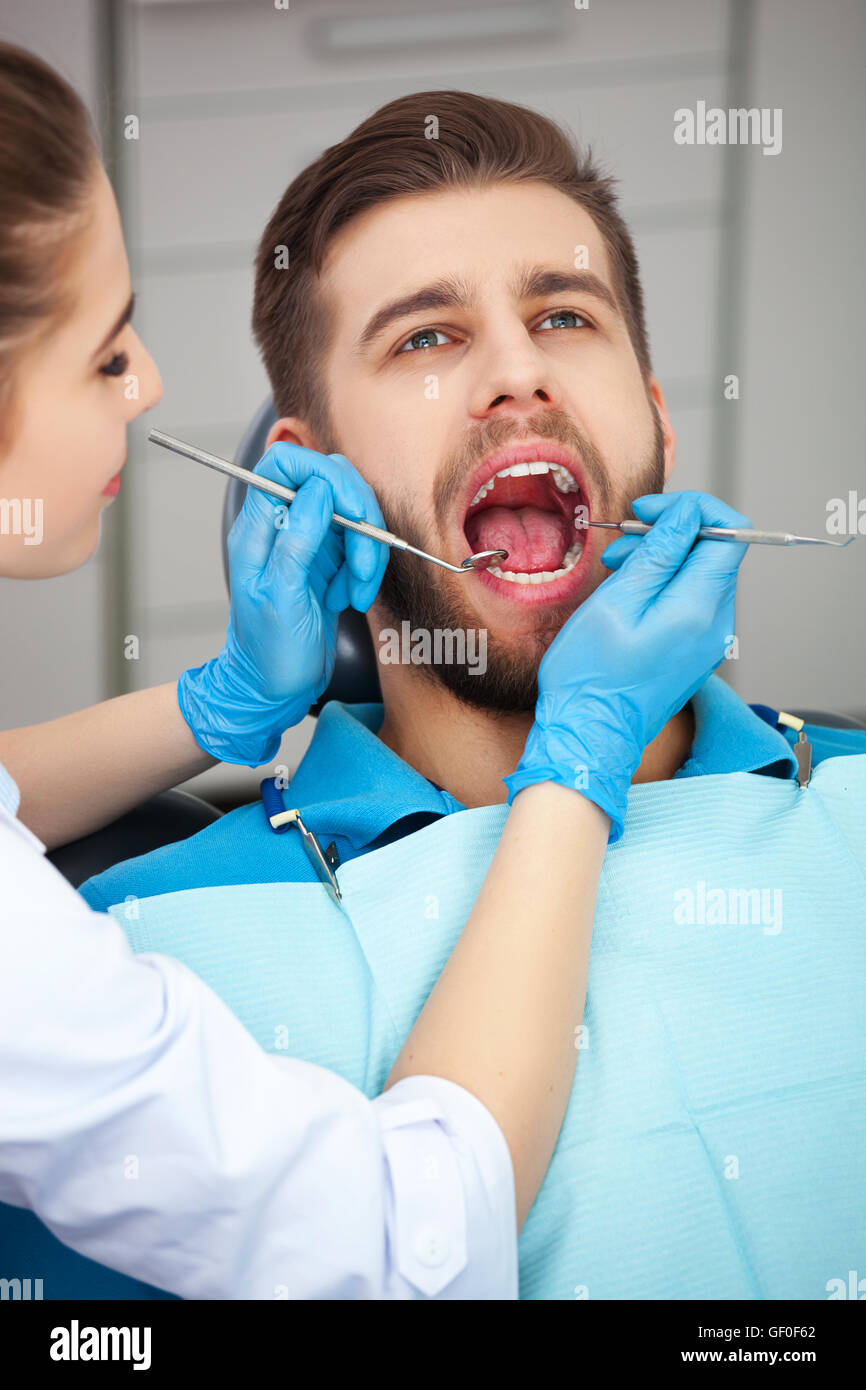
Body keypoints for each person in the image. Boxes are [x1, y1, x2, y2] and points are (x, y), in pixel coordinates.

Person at [66, 89, 866, 1302]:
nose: (516, 373)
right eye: (425, 338)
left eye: (561, 314)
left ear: (653, 426)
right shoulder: (116, 960)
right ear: (300, 484)